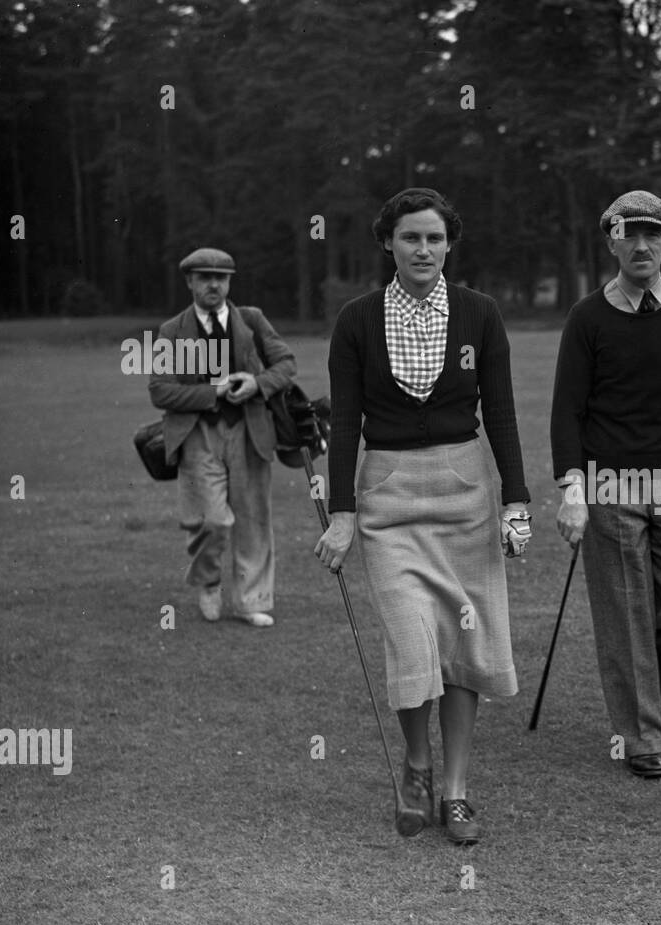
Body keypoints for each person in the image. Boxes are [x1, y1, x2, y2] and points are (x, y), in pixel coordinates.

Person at [314, 188, 531, 845]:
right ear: (389, 243)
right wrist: (343, 512)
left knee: (464, 645)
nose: (424, 250)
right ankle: (416, 763)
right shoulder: (356, 321)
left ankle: (457, 791)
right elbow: (345, 420)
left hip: (466, 493)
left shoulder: (479, 314)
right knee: (413, 640)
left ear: (449, 244)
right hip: (388, 498)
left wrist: (516, 500)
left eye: (435, 238)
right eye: (411, 237)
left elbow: (501, 411)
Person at [550, 190, 661, 779]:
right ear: (611, 241)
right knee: (626, 614)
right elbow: (566, 411)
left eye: (654, 235)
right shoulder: (587, 317)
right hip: (609, 485)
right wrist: (573, 491)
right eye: (630, 233)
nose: (642, 245)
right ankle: (641, 736)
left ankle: (637, 685)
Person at [149, 247, 297, 628]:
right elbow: (160, 391)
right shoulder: (172, 331)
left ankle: (251, 601)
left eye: (221, 277)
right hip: (198, 434)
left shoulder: (251, 320)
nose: (213, 284)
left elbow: (287, 364)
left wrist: (256, 383)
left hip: (250, 429)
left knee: (253, 518)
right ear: (190, 282)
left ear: (230, 282)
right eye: (204, 277)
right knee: (211, 520)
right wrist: (211, 392)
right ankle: (208, 581)